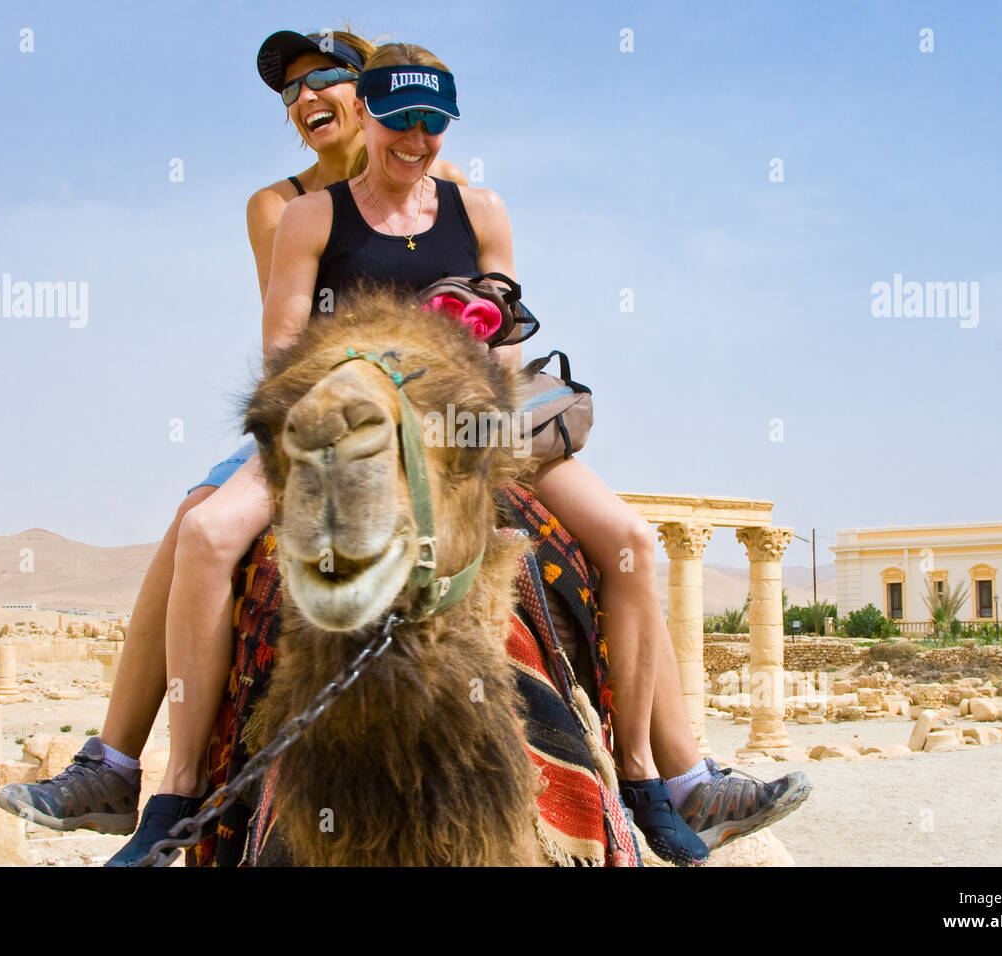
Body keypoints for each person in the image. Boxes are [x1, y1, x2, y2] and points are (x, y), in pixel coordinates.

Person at [250, 42, 810, 865]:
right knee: (209, 541)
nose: (416, 136)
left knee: (628, 542)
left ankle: (660, 779)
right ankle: (166, 793)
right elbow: (282, 355)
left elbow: (508, 351)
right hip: (352, 434)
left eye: (432, 122)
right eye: (400, 118)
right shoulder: (309, 215)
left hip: (473, 433)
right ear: (368, 113)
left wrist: (463, 353)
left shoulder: (479, 212)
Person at [0, 28, 467, 865]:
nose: (306, 99)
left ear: (375, 91)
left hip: (439, 409)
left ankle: (659, 769)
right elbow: (292, 344)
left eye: (326, 78)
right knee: (196, 523)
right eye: (290, 93)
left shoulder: (448, 186)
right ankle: (121, 765)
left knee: (585, 542)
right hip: (326, 405)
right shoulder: (278, 206)